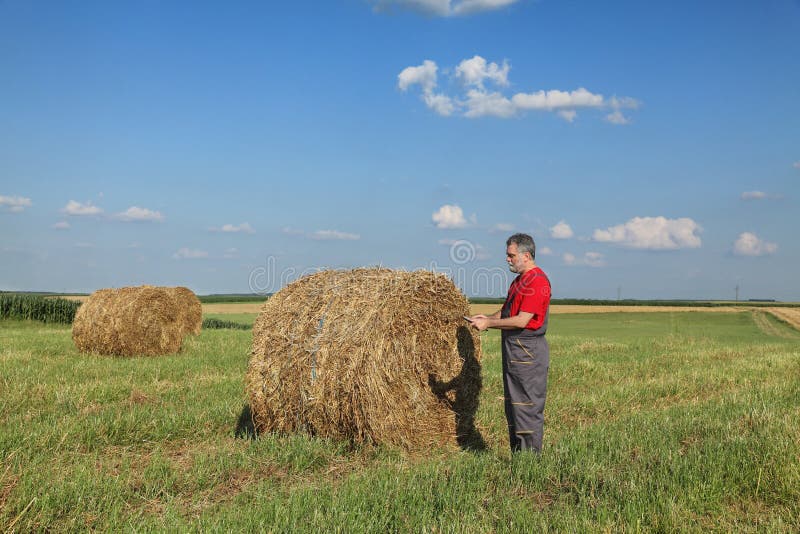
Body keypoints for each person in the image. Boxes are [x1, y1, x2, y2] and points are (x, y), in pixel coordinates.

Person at [468, 233, 551, 453]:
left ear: (526, 255)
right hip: (515, 349)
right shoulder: (520, 281)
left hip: (528, 351)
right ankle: (519, 457)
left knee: (526, 406)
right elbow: (507, 312)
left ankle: (530, 462)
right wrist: (486, 318)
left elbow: (522, 320)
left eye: (511, 255)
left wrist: (489, 325)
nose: (507, 259)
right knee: (514, 406)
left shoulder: (537, 281)